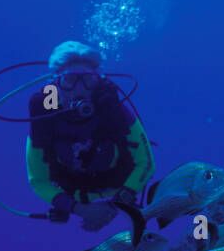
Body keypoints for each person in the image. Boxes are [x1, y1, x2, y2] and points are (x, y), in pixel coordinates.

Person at [26, 41, 153, 231]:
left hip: (115, 187)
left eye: (88, 80)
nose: (79, 89)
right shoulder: (45, 115)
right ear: (56, 83)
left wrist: (114, 205)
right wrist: (79, 209)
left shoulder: (113, 110)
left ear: (98, 81)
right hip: (73, 191)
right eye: (69, 81)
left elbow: (146, 162)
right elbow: (38, 179)